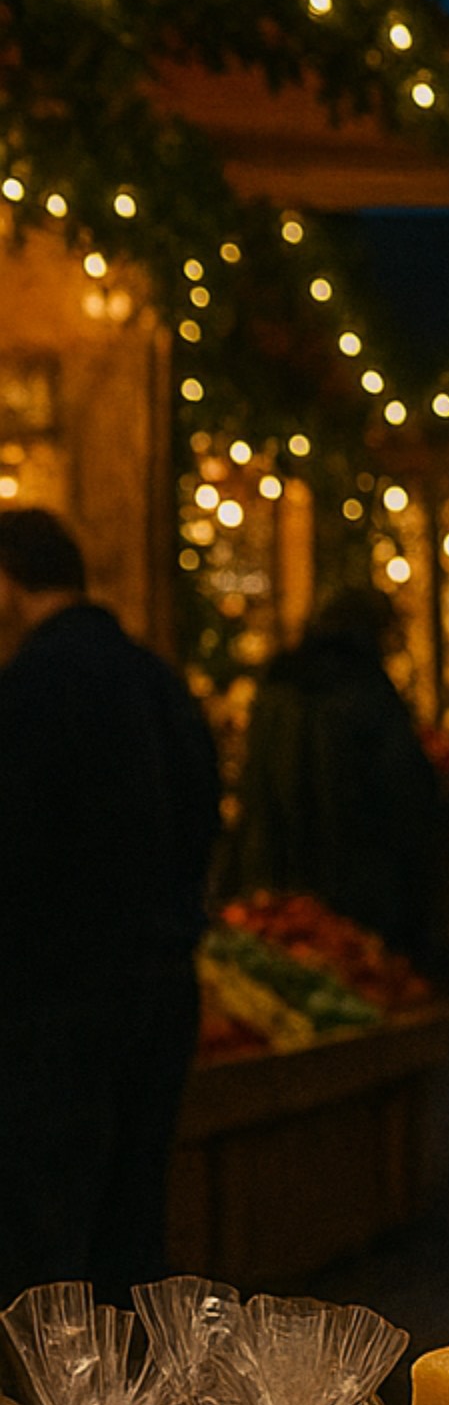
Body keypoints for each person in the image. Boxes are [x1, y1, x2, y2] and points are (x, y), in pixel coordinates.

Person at [0, 509, 221, 1302]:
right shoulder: (152, 674)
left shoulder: (32, 685)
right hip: (161, 988)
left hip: (57, 1005)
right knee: (132, 1230)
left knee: (48, 1243)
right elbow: (204, 815)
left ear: (9, 582)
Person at [232, 585, 443, 962]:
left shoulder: (279, 689)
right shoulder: (365, 693)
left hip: (279, 885)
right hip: (360, 890)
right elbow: (404, 797)